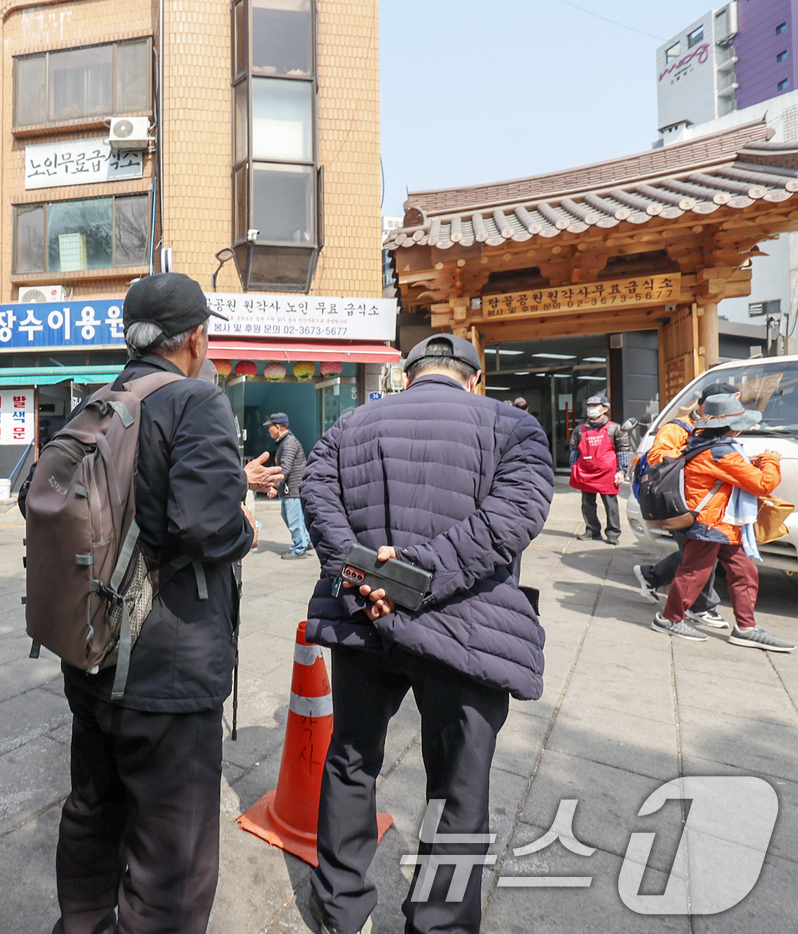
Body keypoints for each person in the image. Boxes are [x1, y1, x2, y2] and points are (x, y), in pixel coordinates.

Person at [300, 334, 553, 934]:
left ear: (406, 376)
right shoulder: (513, 428)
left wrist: (371, 574)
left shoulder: (351, 425)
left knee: (352, 760)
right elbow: (511, 522)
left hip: (366, 619)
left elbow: (316, 496)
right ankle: (438, 924)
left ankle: (340, 909)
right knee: (459, 787)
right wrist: (415, 579)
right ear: (475, 377)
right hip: (468, 628)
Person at [45, 273, 256, 934]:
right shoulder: (196, 400)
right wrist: (244, 522)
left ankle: (81, 925)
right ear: (196, 336)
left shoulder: (98, 402)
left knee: (92, 807)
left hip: (88, 646)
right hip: (168, 664)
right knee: (174, 852)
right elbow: (203, 526)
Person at [653, 394, 790, 651]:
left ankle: (746, 627)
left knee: (743, 572)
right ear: (732, 425)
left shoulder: (706, 445)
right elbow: (763, 483)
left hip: (722, 523)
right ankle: (670, 619)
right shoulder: (719, 452)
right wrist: (771, 460)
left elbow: (734, 472)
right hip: (711, 523)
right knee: (695, 573)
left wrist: (753, 462)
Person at [633, 382, 741, 633]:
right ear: (706, 406)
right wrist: (698, 453)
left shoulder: (715, 427)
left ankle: (654, 577)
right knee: (698, 558)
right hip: (680, 503)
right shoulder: (677, 428)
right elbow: (658, 457)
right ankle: (697, 608)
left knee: (697, 556)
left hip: (704, 503)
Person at [568, 394, 631, 544]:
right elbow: (574, 450)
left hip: (607, 473)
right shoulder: (579, 430)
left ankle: (613, 533)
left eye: (595, 406)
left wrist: (621, 471)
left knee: (611, 505)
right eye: (589, 407)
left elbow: (622, 450)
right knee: (587, 504)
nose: (591, 410)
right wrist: (573, 467)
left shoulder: (615, 428)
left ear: (605, 409)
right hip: (586, 472)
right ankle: (592, 531)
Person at [265, 412, 310, 559]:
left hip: (293, 489)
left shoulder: (289, 443)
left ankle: (299, 548)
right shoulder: (285, 442)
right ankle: (305, 540)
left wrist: (274, 487)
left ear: (278, 427)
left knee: (293, 519)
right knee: (290, 516)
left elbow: (285, 469)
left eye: (270, 427)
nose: (268, 430)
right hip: (290, 488)